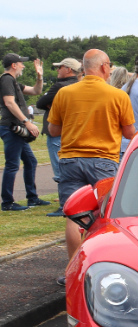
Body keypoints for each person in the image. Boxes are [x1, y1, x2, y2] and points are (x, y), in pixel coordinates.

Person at [47, 49, 136, 277]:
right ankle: (101, 267)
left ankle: (74, 270)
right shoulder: (117, 96)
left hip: (70, 159)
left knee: (73, 214)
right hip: (103, 160)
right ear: (105, 67)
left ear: (84, 68)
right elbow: (129, 132)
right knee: (103, 215)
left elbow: (53, 129)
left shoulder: (65, 93)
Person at [0, 54, 49, 211]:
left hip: (15, 129)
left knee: (31, 162)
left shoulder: (13, 81)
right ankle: (7, 202)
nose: (24, 66)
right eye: (21, 63)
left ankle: (32, 198)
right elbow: (9, 102)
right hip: (11, 128)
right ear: (14, 65)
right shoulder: (6, 79)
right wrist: (27, 122)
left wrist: (39, 76)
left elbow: (36, 90)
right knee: (12, 165)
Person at [35, 58, 81, 216]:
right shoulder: (79, 85)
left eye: (59, 67)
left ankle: (65, 204)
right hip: (73, 132)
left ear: (68, 69)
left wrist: (52, 104)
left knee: (60, 170)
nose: (57, 70)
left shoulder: (60, 86)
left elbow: (40, 103)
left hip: (57, 132)